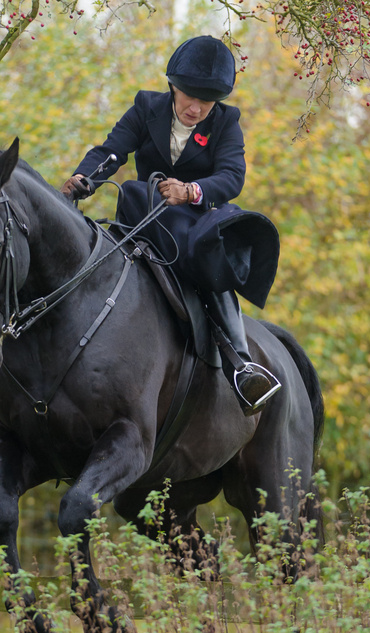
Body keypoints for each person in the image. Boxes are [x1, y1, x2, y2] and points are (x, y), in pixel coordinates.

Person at [61, 35, 281, 413]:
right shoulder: (147, 106)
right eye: (188, 97)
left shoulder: (227, 122)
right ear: (173, 87)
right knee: (127, 199)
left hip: (199, 218)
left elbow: (232, 176)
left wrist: (191, 190)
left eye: (205, 102)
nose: (195, 109)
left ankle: (241, 364)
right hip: (148, 214)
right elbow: (112, 151)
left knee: (209, 256)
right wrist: (84, 179)